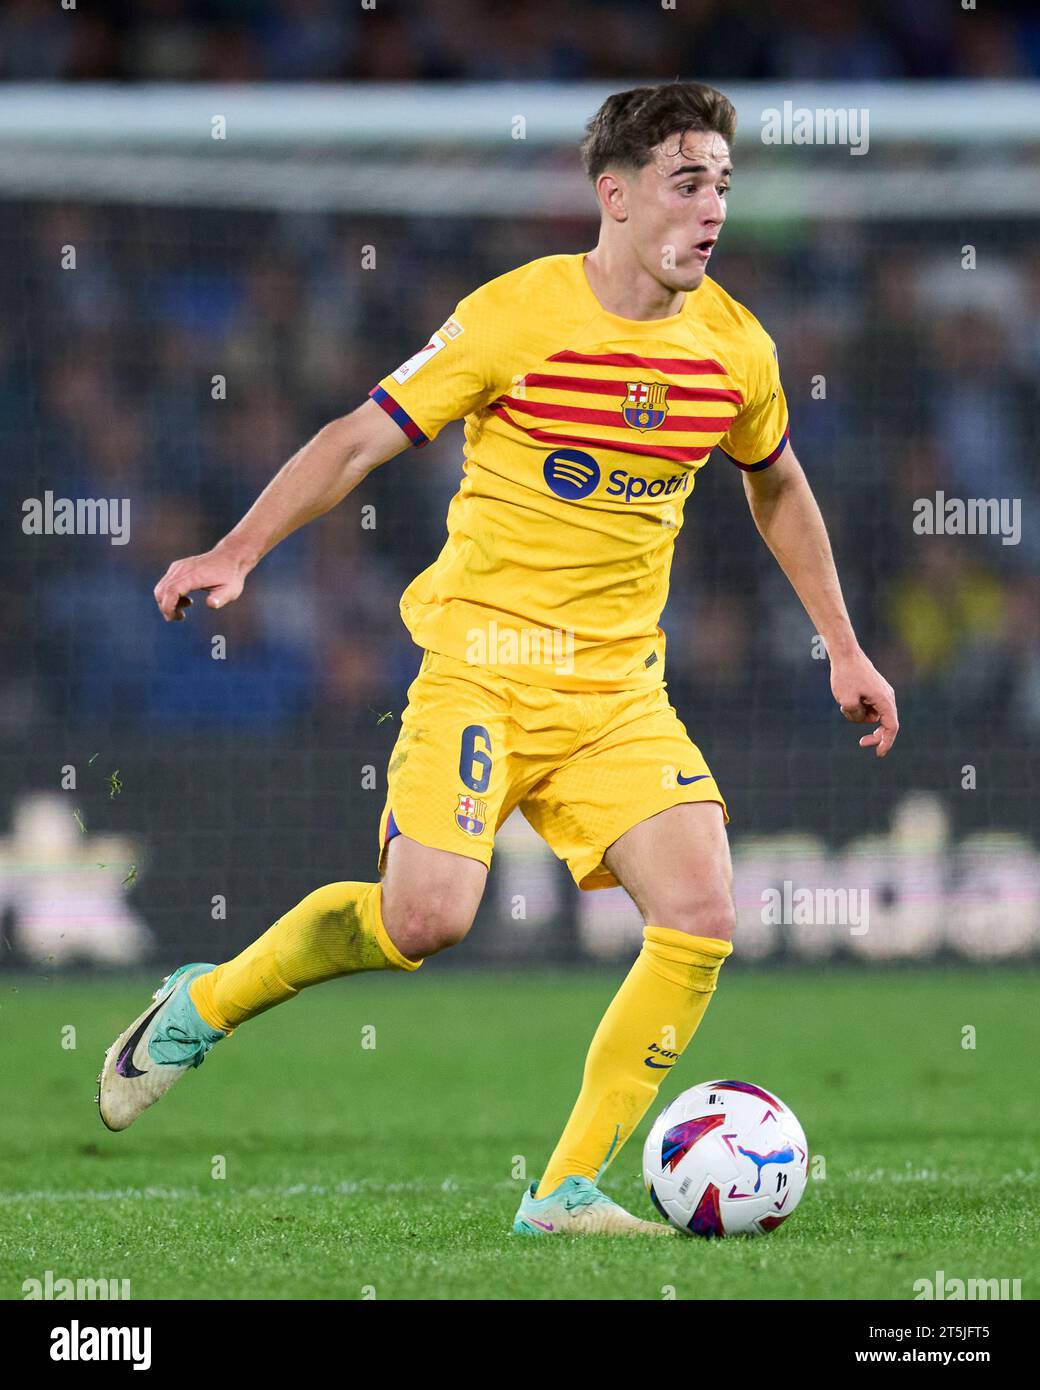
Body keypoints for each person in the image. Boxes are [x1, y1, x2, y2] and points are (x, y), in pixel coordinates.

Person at [98, 82, 898, 1236]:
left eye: (722, 184)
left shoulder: (735, 347)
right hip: (480, 664)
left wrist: (841, 645)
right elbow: (360, 435)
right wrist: (239, 548)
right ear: (611, 196)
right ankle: (202, 1002)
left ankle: (563, 1190)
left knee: (700, 910)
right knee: (425, 919)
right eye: (685, 182)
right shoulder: (515, 317)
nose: (711, 208)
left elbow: (773, 480)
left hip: (617, 690)